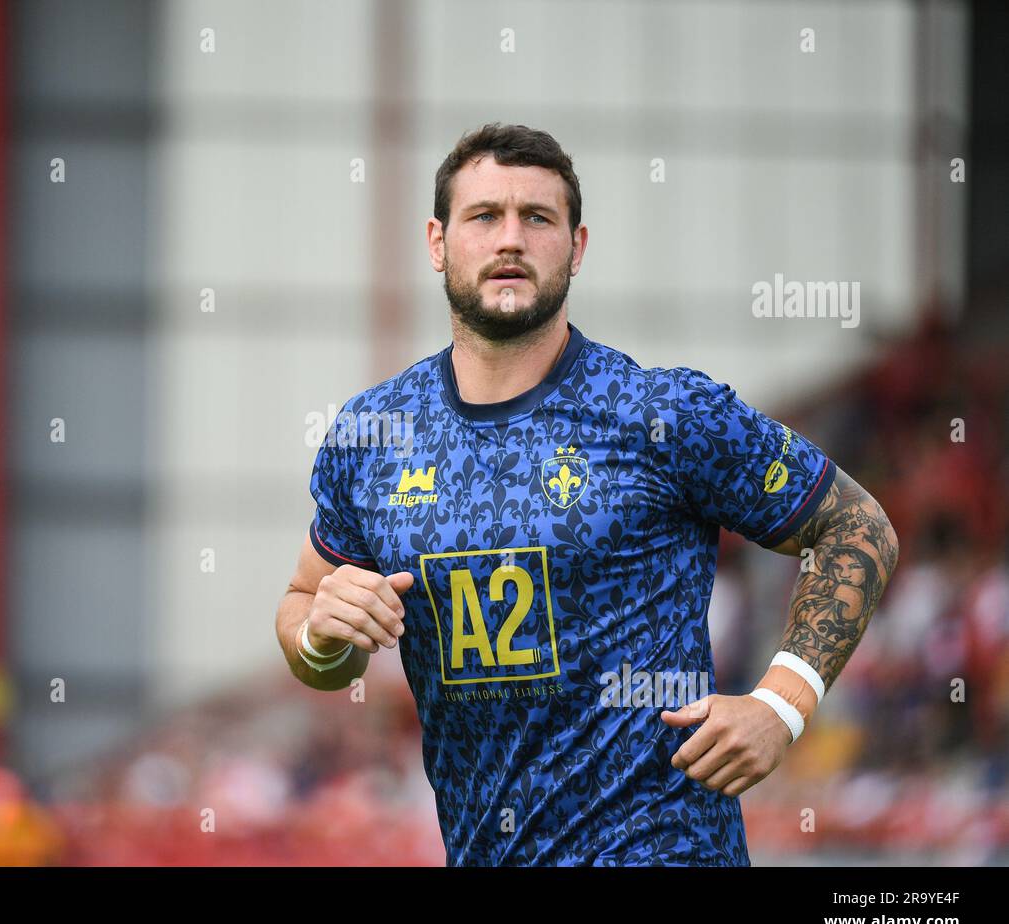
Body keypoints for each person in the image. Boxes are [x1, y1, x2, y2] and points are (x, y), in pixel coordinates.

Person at [273, 123, 899, 866]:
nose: (511, 239)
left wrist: (781, 705)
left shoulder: (663, 415)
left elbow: (858, 527)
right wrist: (321, 636)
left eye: (537, 218)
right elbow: (304, 610)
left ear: (576, 247)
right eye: (485, 217)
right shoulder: (375, 434)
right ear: (439, 243)